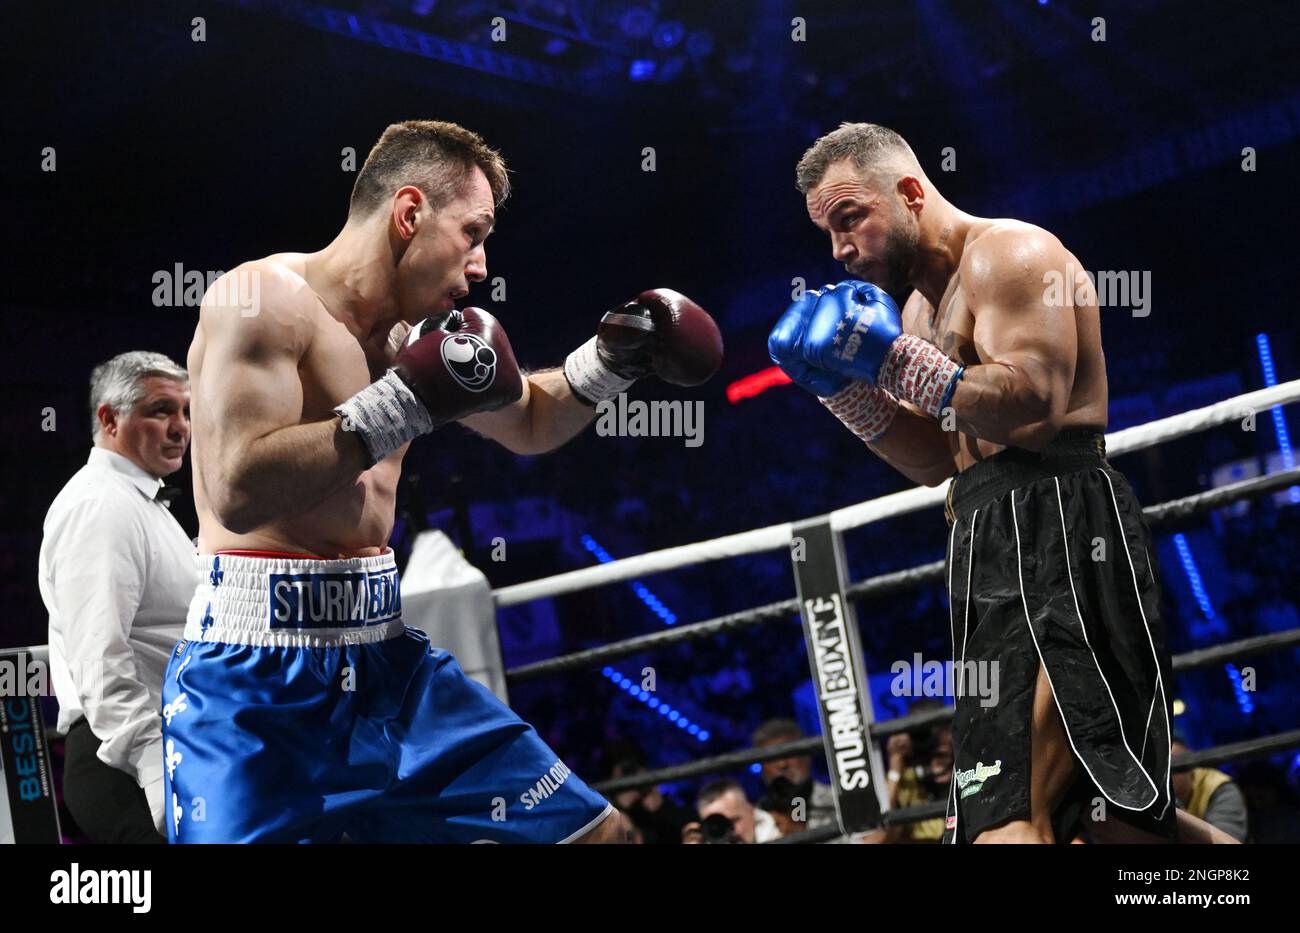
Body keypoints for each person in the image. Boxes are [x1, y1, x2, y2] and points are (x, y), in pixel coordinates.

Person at [164, 119, 722, 843]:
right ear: (408, 213)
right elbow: (238, 490)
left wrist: (614, 359)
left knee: (598, 835)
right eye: (472, 232)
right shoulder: (263, 298)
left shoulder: (417, 339)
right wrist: (406, 400)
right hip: (253, 677)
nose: (482, 263)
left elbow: (529, 423)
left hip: (387, 661)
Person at [769, 122, 1234, 844]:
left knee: (1006, 817)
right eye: (827, 231)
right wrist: (849, 395)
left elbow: (1036, 406)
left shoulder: (1013, 255)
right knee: (1105, 815)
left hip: (1061, 528)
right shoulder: (920, 311)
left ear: (911, 192)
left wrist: (892, 364)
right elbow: (939, 462)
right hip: (985, 540)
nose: (839, 249)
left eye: (849, 217)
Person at [39, 351, 194, 843]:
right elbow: (102, 660)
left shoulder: (145, 504)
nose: (180, 427)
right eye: (161, 410)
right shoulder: (101, 506)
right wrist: (154, 770)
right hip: (125, 763)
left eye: (186, 412)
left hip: (175, 746)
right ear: (109, 418)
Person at [1172, 736, 1249, 842]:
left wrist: (1173, 810)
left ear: (1188, 765)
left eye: (1171, 764)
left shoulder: (1219, 787)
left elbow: (1227, 840)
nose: (1163, 775)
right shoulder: (1150, 798)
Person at [681, 779, 779, 844]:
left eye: (734, 821)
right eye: (718, 825)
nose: (731, 832)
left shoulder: (784, 835)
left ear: (751, 811)